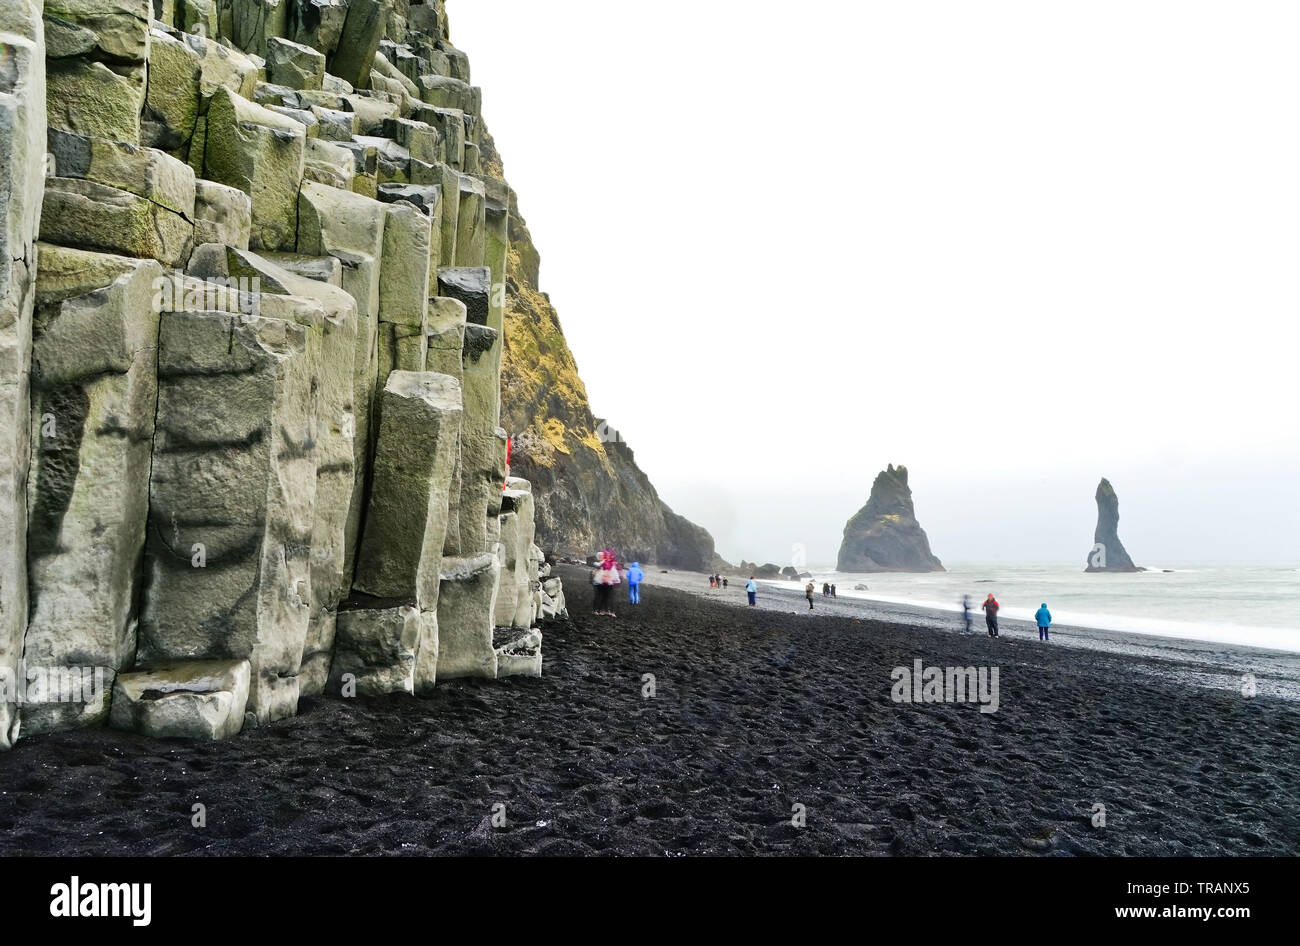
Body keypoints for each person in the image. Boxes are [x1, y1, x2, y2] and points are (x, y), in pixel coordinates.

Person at [592, 549, 621, 616]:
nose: (608, 557)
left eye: (609, 556)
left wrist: (616, 579)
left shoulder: (612, 564)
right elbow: (597, 565)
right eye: (607, 556)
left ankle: (606, 610)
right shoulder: (603, 562)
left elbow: (614, 572)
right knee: (602, 596)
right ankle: (600, 610)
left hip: (609, 582)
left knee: (608, 596)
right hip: (602, 582)